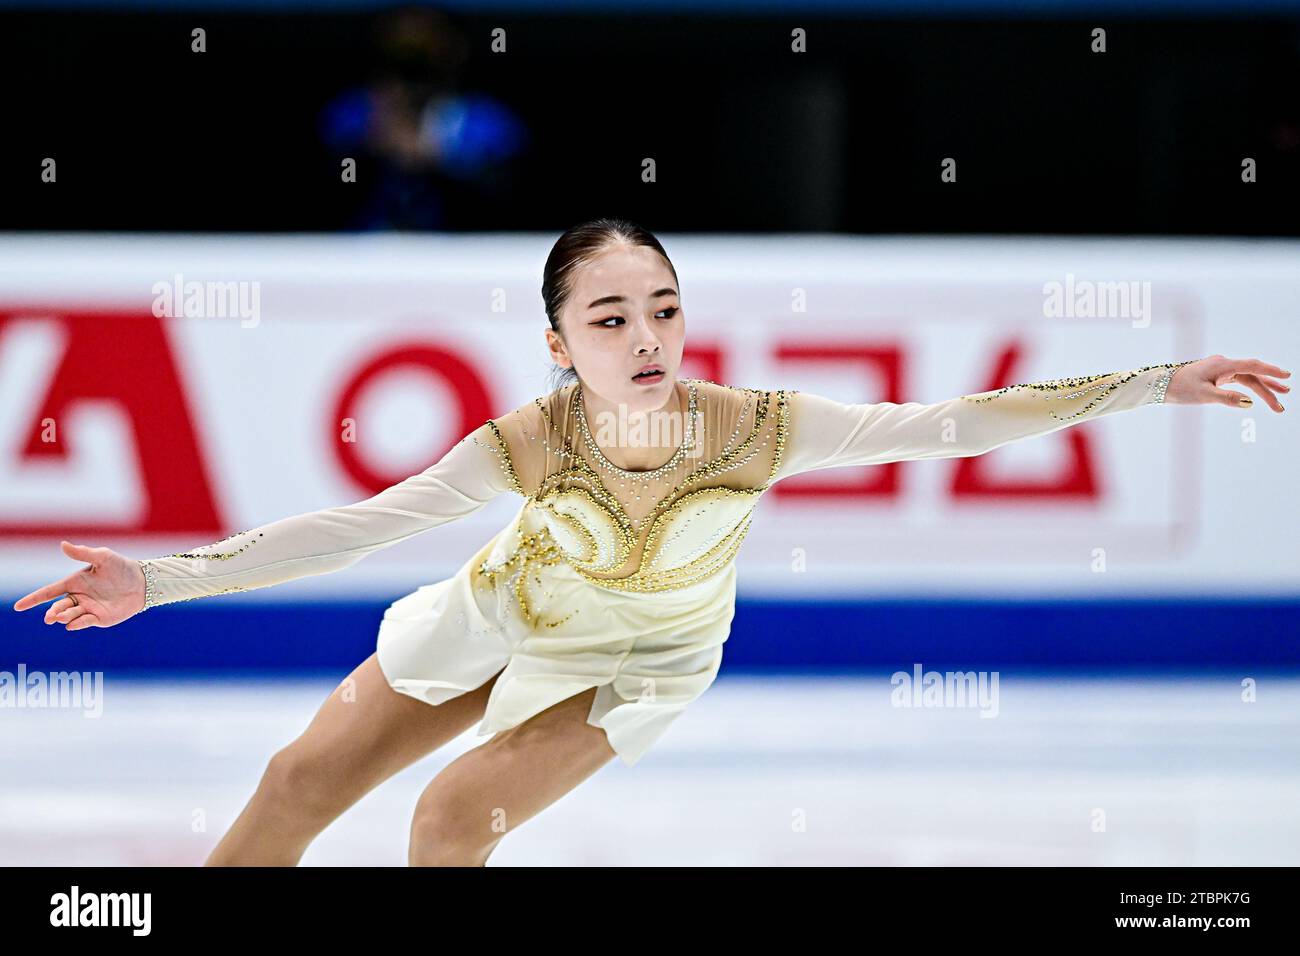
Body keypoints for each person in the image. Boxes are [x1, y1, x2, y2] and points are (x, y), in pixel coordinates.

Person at [11, 218, 1290, 867]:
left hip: (641, 666)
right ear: (560, 341)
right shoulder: (525, 438)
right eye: (610, 313)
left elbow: (950, 418)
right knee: (295, 782)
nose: (646, 334)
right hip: (495, 619)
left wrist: (1156, 380)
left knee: (452, 814)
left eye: (664, 307)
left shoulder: (756, 426)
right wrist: (160, 579)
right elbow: (358, 526)